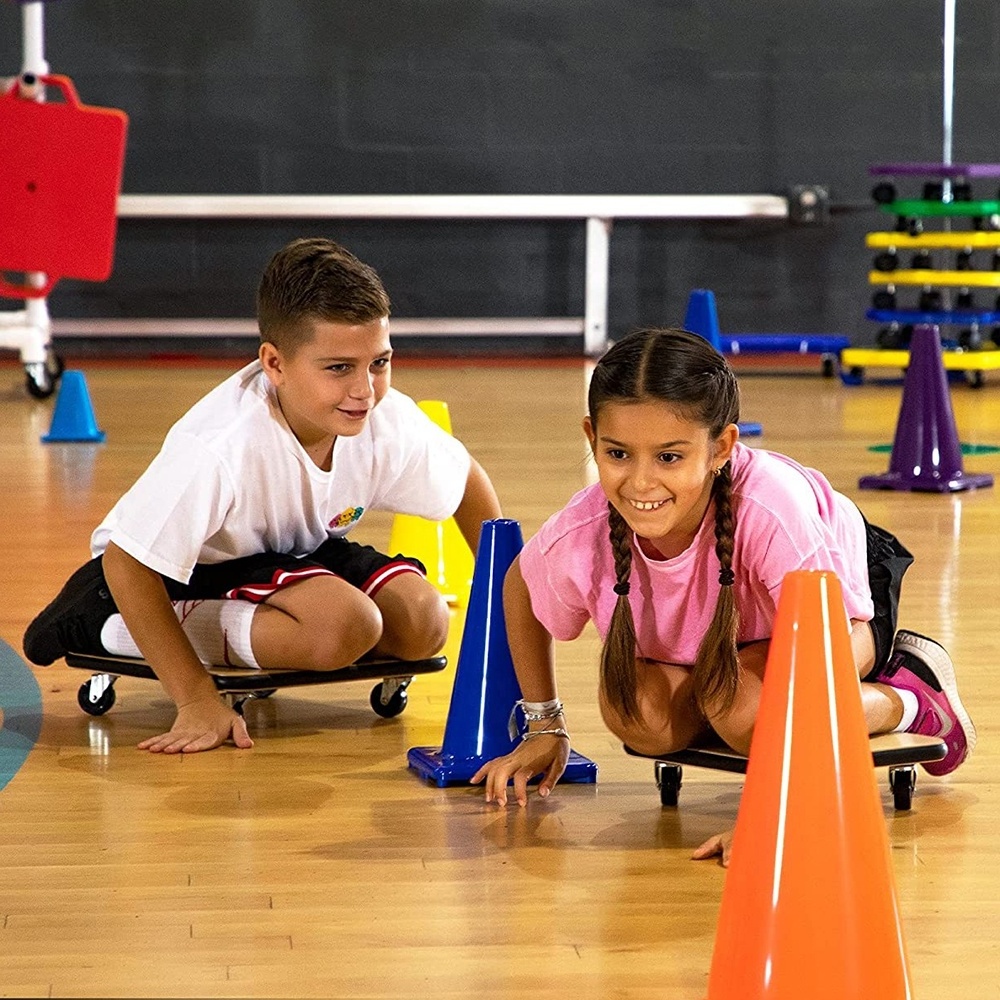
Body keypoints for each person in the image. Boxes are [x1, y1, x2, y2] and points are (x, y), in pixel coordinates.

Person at [470, 327, 976, 865]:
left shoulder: (773, 511)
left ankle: (911, 698)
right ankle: (729, 691)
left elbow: (819, 661)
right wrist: (544, 726)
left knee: (747, 714)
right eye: (618, 453)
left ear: (721, 448)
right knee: (637, 716)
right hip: (724, 632)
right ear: (591, 437)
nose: (640, 483)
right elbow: (520, 585)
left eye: (669, 457)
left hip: (834, 609)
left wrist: (773, 810)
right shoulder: (585, 527)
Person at [24, 237, 502, 754]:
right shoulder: (220, 444)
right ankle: (104, 625)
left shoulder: (383, 417)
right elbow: (126, 561)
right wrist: (194, 697)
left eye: (379, 362)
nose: (365, 390)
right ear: (274, 364)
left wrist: (504, 611)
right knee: (342, 627)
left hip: (294, 551)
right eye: (339, 368)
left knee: (424, 621)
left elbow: (467, 483)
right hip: (176, 571)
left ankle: (273, 634)